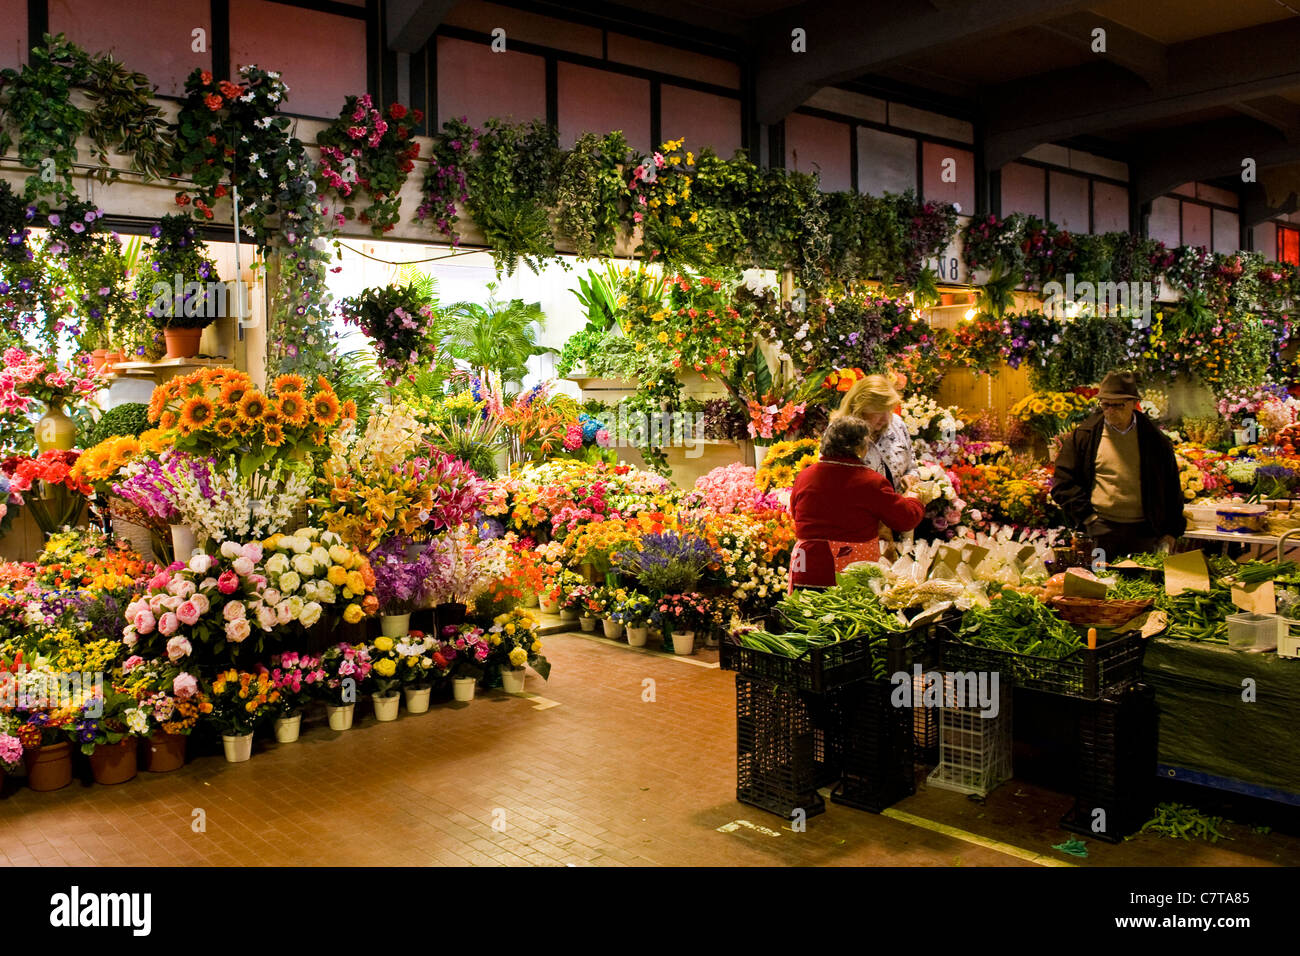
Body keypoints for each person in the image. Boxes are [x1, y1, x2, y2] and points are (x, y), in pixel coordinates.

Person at [1050, 370, 1185, 558]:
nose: (1110, 411)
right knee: (1100, 584)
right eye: (1105, 405)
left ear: (1133, 404)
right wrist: (1088, 518)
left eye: (1118, 405)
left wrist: (1171, 530)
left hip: (1145, 531)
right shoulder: (1085, 436)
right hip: (1101, 530)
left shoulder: (1155, 440)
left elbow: (1171, 487)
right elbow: (1063, 483)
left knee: (1142, 585)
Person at [788, 416, 926, 589]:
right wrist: (914, 496)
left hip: (807, 566)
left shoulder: (805, 476)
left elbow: (794, 513)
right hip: (850, 571)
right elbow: (905, 518)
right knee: (847, 614)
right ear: (860, 448)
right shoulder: (871, 481)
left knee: (803, 614)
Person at [836, 373, 917, 492]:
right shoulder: (839, 433)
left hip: (900, 506)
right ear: (860, 408)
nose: (885, 419)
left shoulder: (897, 424)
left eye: (888, 410)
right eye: (879, 411)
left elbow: (912, 467)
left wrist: (910, 478)